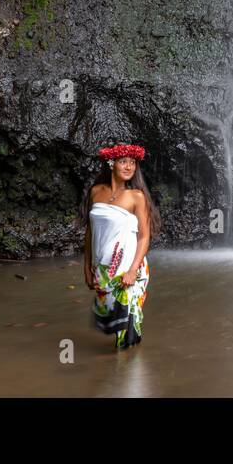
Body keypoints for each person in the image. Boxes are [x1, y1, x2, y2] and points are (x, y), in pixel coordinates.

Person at [82, 143, 160, 349]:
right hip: (103, 268)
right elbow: (89, 232)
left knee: (127, 330)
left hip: (130, 267)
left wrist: (133, 270)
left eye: (132, 163)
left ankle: (127, 372)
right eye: (123, 162)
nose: (128, 167)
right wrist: (86, 268)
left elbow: (144, 237)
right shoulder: (96, 192)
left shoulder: (136, 196)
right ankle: (120, 371)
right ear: (111, 164)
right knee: (110, 319)